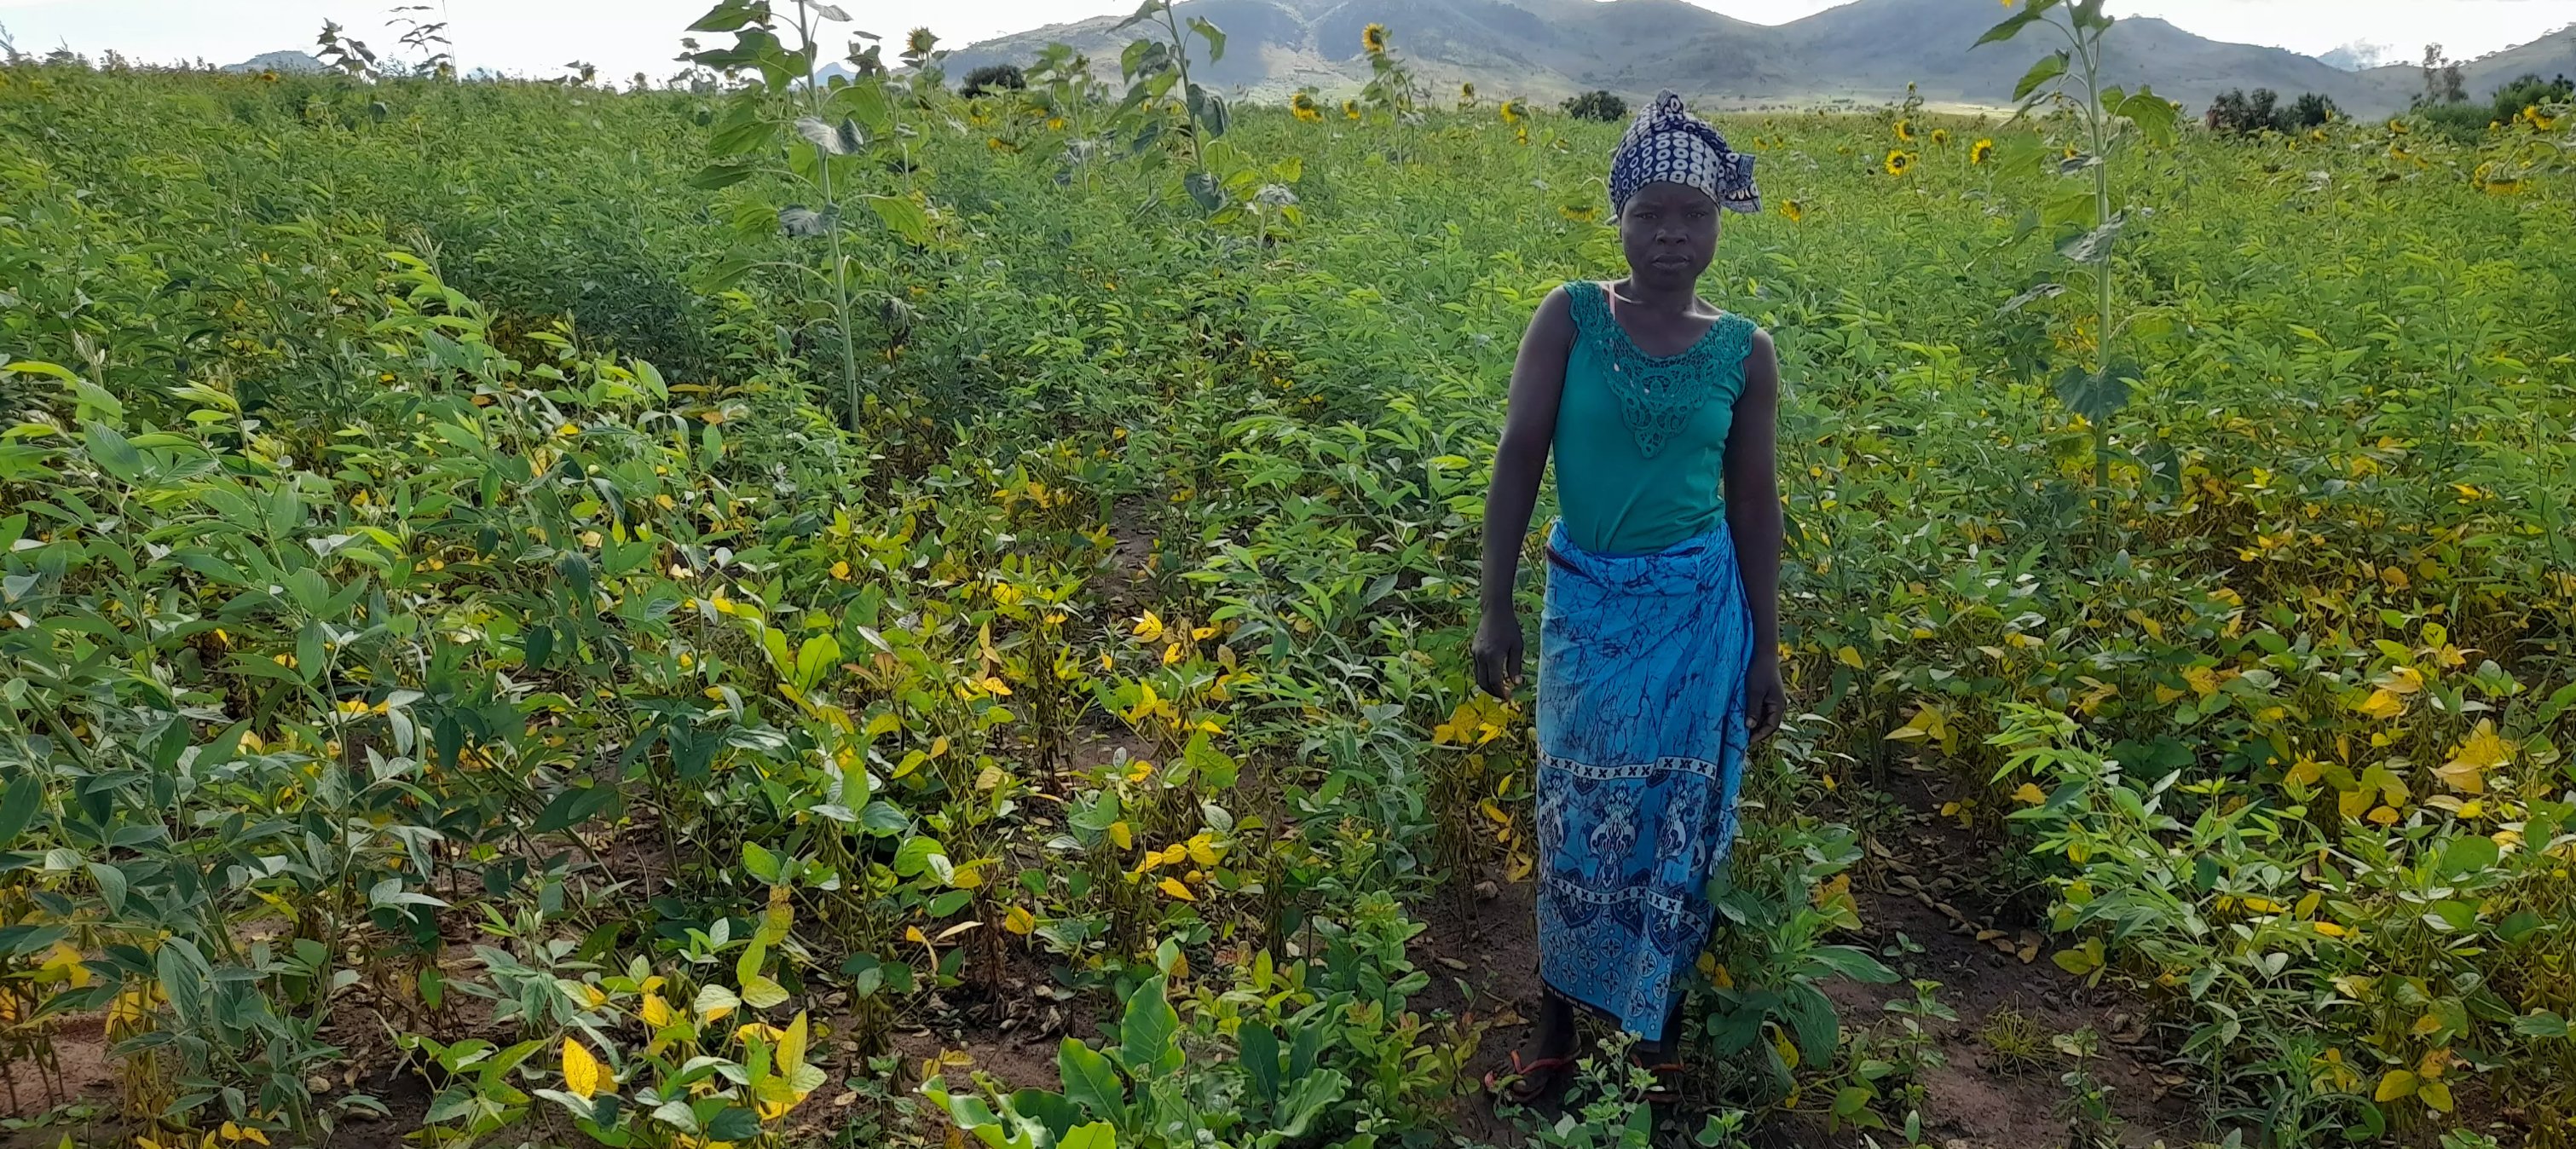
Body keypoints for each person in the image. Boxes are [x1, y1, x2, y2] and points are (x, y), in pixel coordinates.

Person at [1470, 90, 1786, 1105]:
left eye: (1690, 215)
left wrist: (1766, 650)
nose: (1669, 236)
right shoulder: (1569, 317)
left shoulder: (1745, 349)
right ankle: (1559, 1027)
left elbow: (1753, 504)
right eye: (1648, 212)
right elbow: (1520, 458)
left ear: (1716, 223)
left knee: (1677, 822)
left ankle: (1661, 1034)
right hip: (1589, 608)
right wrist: (1495, 604)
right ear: (1617, 215)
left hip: (1699, 613)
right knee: (1572, 814)